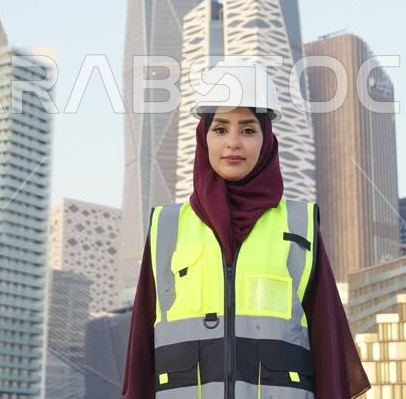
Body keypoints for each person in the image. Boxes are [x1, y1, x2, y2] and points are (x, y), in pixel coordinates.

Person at [122, 60, 371, 398]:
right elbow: (141, 357)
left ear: (266, 138)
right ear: (204, 137)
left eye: (248, 129)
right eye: (221, 128)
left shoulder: (300, 226)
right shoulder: (166, 228)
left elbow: (329, 350)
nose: (233, 143)